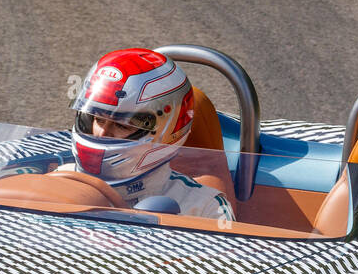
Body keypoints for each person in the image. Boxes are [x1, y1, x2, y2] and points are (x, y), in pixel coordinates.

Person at [67, 48, 235, 222]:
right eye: (98, 119)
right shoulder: (61, 180)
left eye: (121, 125)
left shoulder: (206, 207)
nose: (102, 134)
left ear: (167, 130)